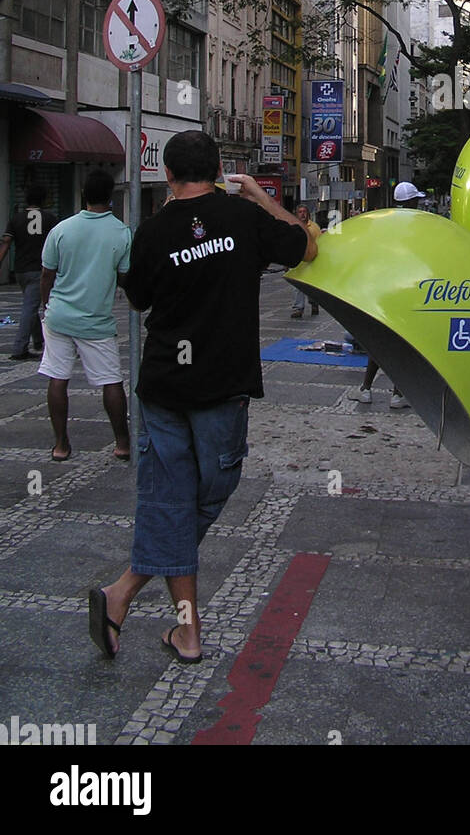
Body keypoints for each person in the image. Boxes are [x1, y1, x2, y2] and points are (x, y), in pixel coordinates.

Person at [88, 131, 316, 664]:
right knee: (205, 497)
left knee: (174, 502)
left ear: (167, 175)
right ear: (219, 170)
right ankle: (176, 627)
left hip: (166, 384)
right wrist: (260, 196)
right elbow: (305, 245)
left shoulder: (151, 231)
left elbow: (138, 300)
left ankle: (128, 595)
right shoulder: (243, 219)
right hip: (221, 385)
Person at [38, 170, 132, 462]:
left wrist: (46, 306)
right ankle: (122, 443)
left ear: (84, 194)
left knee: (57, 378)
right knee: (111, 381)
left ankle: (61, 445)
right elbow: (125, 276)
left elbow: (46, 274)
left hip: (59, 315)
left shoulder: (62, 229)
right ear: (110, 197)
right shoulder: (121, 232)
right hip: (96, 320)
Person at [348, 181, 425, 409]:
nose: (419, 203)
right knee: (403, 344)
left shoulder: (385, 222)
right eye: (416, 200)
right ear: (410, 201)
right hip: (407, 289)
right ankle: (397, 393)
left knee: (380, 342)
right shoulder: (417, 224)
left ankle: (366, 389)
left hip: (384, 290)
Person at [0, 184, 57, 361]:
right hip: (40, 268)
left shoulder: (16, 219)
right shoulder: (50, 219)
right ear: (43, 200)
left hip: (21, 270)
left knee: (30, 303)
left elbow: (6, 243)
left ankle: (38, 340)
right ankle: (19, 348)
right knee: (30, 308)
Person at [290, 204, 321, 318]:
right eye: (300, 212)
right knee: (297, 286)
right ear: (296, 214)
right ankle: (298, 308)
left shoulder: (314, 227)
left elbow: (320, 244)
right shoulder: (292, 225)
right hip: (297, 261)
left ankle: (314, 303)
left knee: (310, 286)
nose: (302, 214)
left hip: (310, 261)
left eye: (304, 212)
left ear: (308, 214)